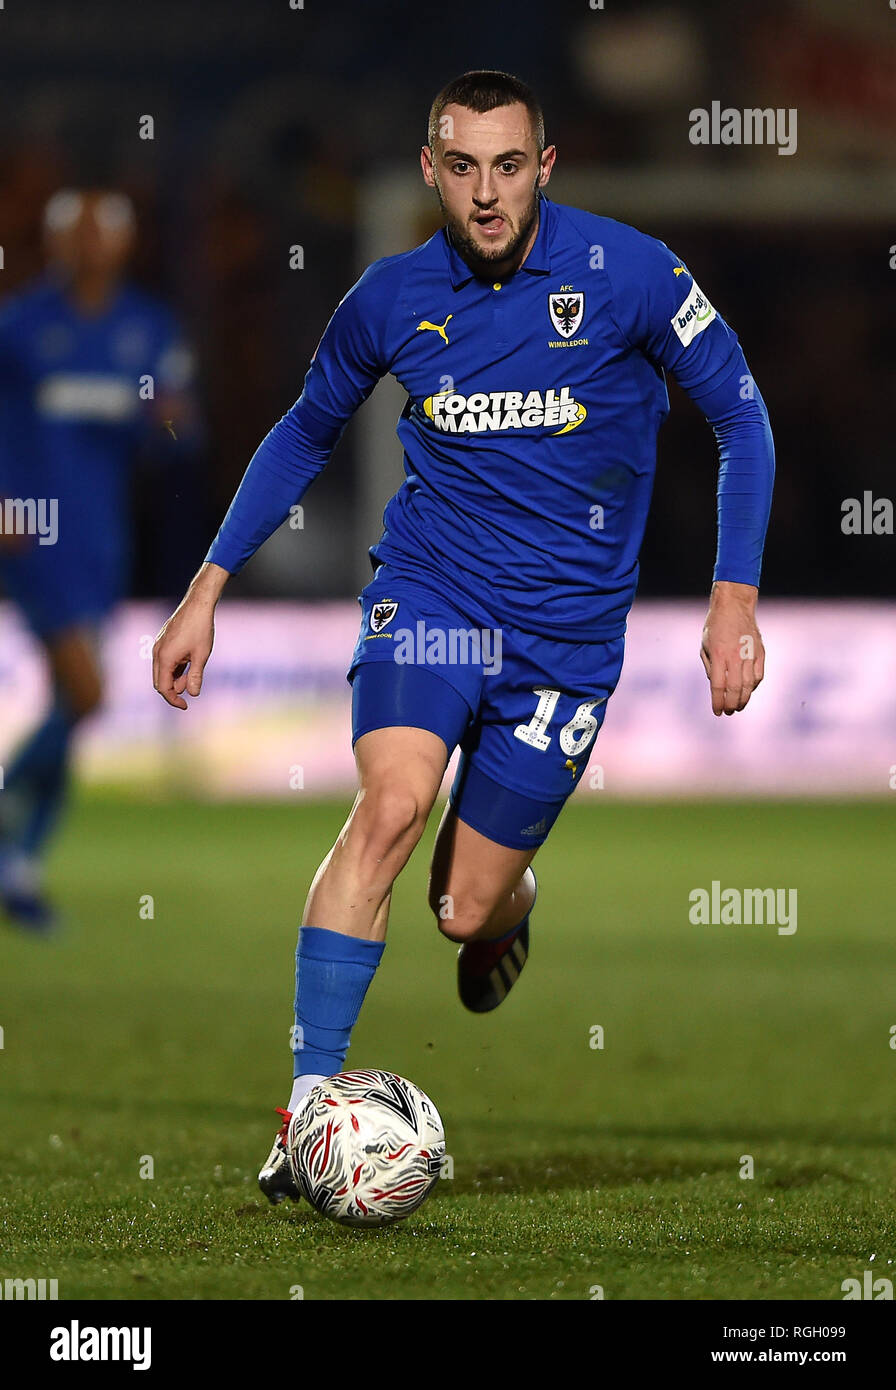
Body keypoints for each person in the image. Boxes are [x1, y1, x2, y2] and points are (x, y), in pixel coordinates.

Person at [152, 70, 774, 1203]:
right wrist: (206, 587)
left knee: (460, 906)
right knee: (388, 804)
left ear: (543, 167)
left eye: (506, 166)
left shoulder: (628, 273)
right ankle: (304, 1115)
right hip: (431, 601)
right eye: (460, 167)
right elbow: (303, 433)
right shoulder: (389, 299)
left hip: (566, 644)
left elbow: (739, 414)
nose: (484, 194)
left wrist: (732, 595)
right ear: (430, 170)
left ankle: (506, 915)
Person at [0, 188, 199, 931]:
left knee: (69, 703)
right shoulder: (21, 326)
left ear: (122, 244)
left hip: (100, 539)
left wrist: (173, 423)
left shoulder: (146, 331)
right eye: (73, 233)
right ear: (53, 243)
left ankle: (19, 865)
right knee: (86, 695)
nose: (87, 246)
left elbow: (175, 434)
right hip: (30, 533)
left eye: (100, 233)